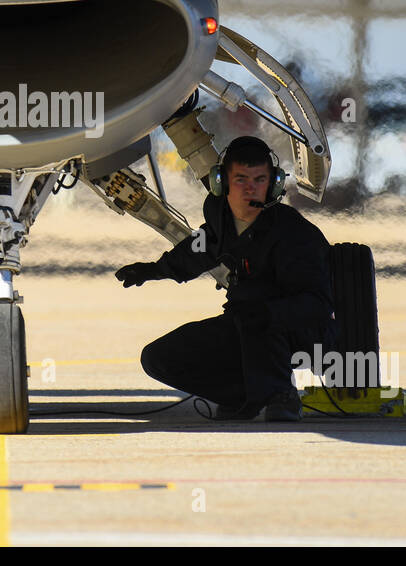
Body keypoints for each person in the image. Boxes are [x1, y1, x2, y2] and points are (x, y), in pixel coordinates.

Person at [115, 136, 335, 422]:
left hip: (301, 331)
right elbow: (197, 250)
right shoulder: (222, 222)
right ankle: (242, 394)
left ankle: (280, 394)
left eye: (259, 180)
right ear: (222, 183)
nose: (250, 188)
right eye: (241, 179)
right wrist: (153, 270)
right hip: (246, 322)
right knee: (158, 358)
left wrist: (268, 313)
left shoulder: (294, 235)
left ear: (273, 184)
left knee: (256, 317)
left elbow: (316, 305)